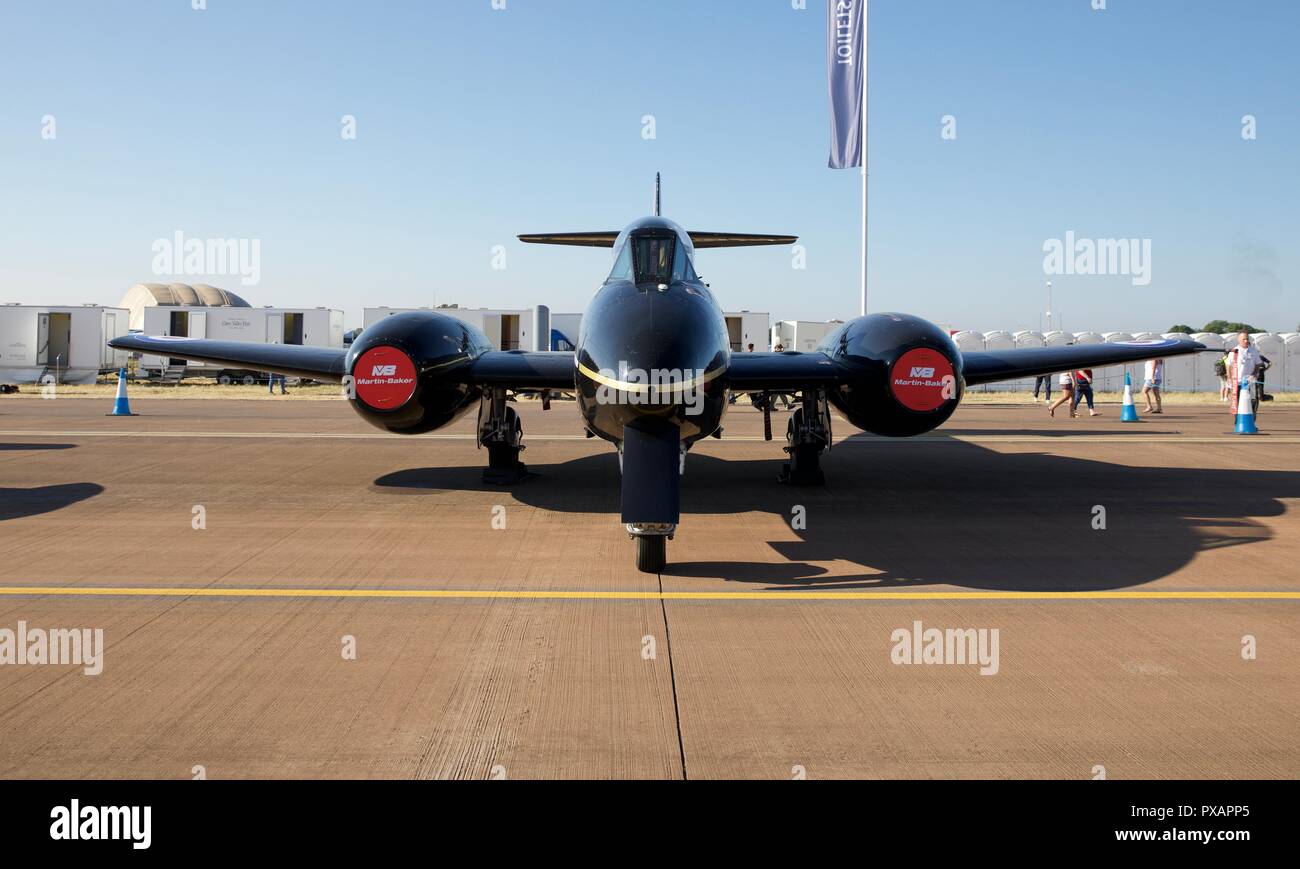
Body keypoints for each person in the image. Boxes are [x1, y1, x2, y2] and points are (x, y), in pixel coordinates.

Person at [1226, 331, 1260, 416]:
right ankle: (1238, 421)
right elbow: (1229, 366)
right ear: (1238, 340)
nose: (1246, 341)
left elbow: (1258, 364)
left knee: (1253, 402)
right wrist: (1229, 379)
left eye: (1247, 339)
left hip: (1250, 382)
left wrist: (1254, 374)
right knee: (1237, 403)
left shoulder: (1253, 351)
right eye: (1243, 339)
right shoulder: (1234, 351)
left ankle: (1252, 421)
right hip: (1237, 382)